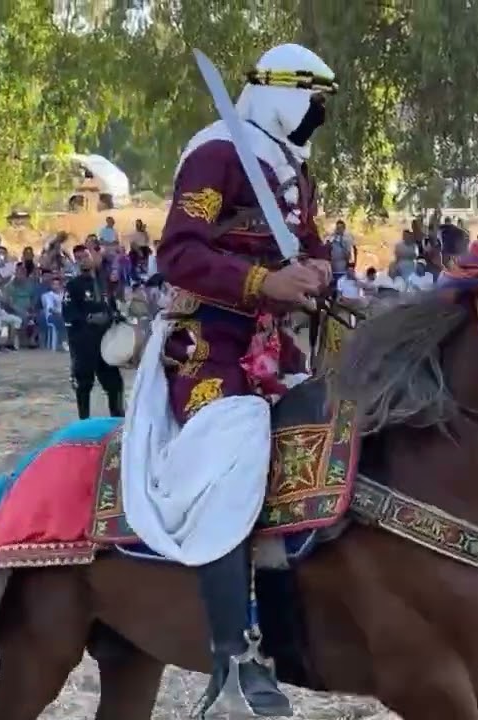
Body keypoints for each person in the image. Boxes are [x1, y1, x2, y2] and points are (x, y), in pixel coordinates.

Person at [151, 42, 335, 717]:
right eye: (314, 101)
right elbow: (178, 252)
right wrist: (263, 281)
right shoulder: (216, 152)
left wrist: (318, 273)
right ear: (285, 94)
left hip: (279, 346)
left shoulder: (291, 167)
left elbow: (307, 244)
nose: (319, 115)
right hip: (209, 348)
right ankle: (230, 662)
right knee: (231, 450)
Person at [63, 248, 124, 419]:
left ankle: (118, 420)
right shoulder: (73, 285)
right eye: (78, 258)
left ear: (92, 257)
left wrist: (115, 316)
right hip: (84, 344)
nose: (83, 260)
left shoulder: (102, 283)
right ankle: (83, 420)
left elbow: (111, 308)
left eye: (85, 256)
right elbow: (69, 313)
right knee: (83, 384)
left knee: (115, 383)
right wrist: (89, 318)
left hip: (105, 342)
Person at [326, 219, 357, 284]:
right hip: (333, 263)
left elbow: (354, 249)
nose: (339, 229)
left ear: (344, 228)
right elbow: (327, 247)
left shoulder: (348, 236)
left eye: (341, 228)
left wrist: (354, 262)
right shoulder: (332, 236)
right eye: (338, 228)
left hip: (344, 262)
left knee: (344, 281)